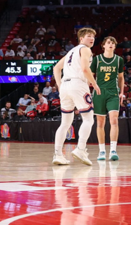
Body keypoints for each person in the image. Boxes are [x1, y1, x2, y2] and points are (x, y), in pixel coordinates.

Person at [50, 27, 99, 166]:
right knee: (89, 119)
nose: (92, 39)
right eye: (89, 36)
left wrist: (59, 85)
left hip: (65, 86)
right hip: (78, 84)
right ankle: (81, 148)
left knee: (65, 123)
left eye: (93, 37)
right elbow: (85, 68)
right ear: (81, 38)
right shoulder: (85, 49)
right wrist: (94, 84)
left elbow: (56, 68)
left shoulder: (71, 51)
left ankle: (58, 154)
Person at [91, 36, 124, 161]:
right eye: (108, 43)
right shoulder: (97, 59)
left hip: (113, 93)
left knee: (114, 120)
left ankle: (113, 150)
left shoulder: (119, 60)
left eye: (113, 43)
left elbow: (121, 78)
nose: (111, 44)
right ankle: (102, 151)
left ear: (115, 46)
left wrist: (122, 92)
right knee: (100, 123)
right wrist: (91, 88)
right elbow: (90, 75)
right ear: (103, 45)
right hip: (99, 92)